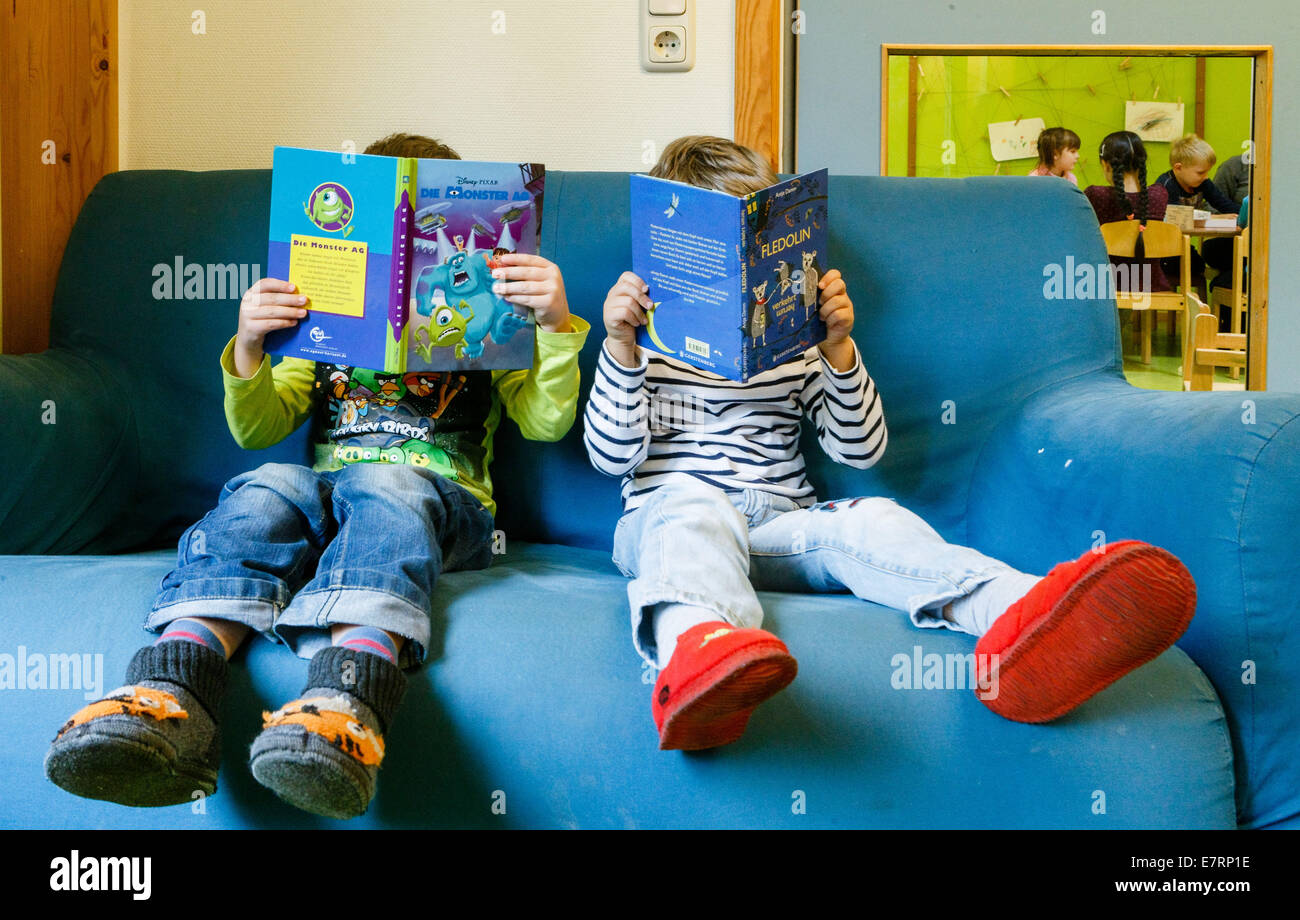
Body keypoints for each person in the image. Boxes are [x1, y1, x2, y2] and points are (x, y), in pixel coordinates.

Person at [584, 135, 1197, 752]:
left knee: (872, 517)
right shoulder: (642, 341)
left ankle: (1025, 614)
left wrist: (837, 351)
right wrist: (621, 350)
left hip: (779, 526)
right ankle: (698, 656)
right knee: (693, 506)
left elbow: (860, 451)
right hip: (668, 522)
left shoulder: (791, 341)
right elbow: (612, 457)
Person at [43, 133, 590, 819]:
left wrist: (554, 321)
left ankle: (348, 698)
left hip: (443, 508)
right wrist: (250, 342)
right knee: (269, 479)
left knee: (390, 483)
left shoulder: (489, 328)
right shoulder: (325, 327)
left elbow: (544, 422)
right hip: (330, 503)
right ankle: (170, 691)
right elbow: (257, 428)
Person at [1084, 130, 1172, 294]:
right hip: (1150, 282)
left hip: (1105, 282)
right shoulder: (1159, 194)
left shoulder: (1096, 195)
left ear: (1105, 164)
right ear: (1142, 162)